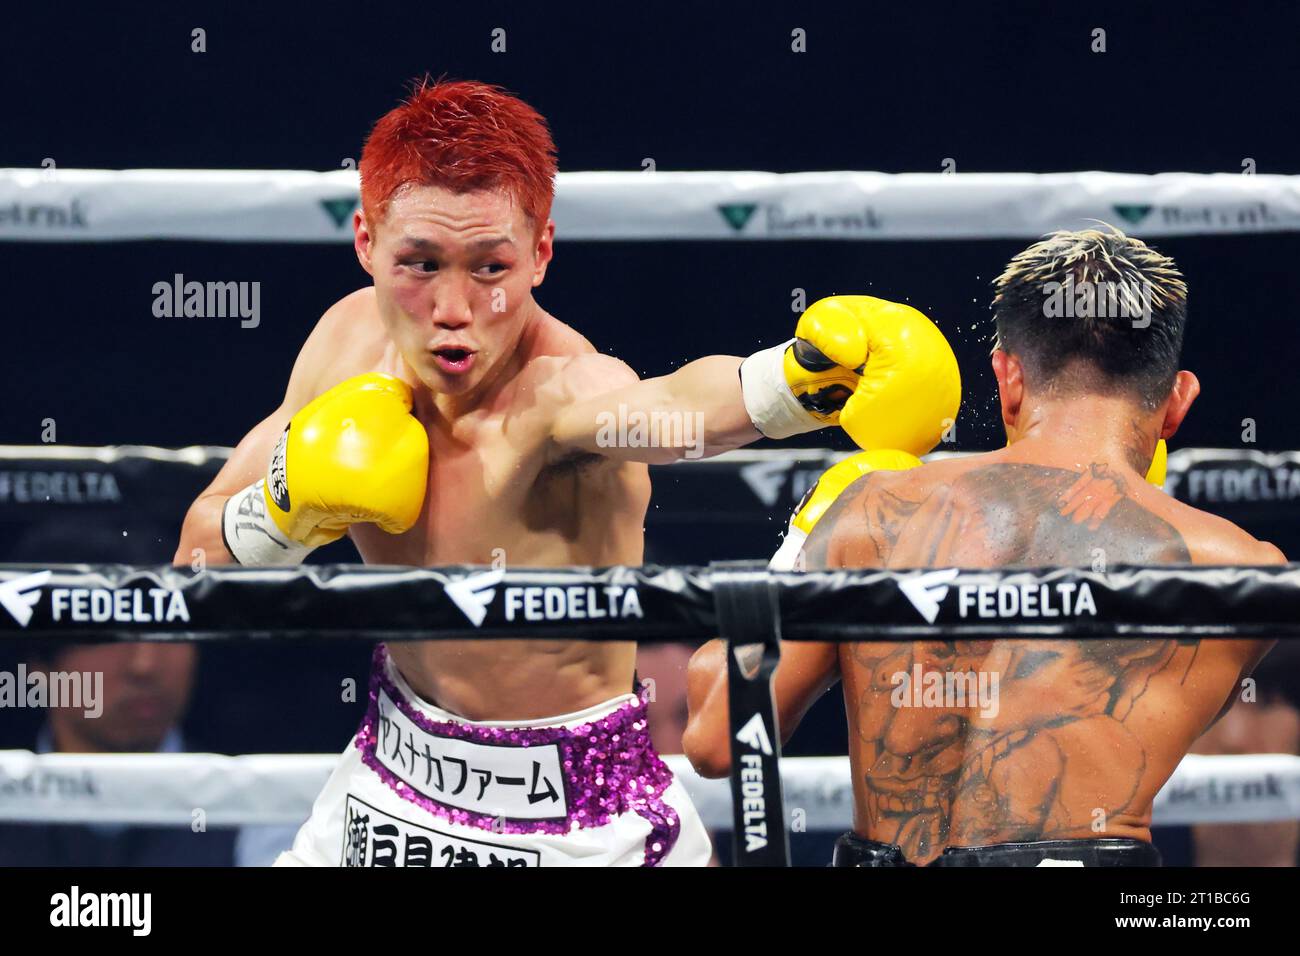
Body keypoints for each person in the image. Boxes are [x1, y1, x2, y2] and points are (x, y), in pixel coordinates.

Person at [174, 78, 961, 866]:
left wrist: (795, 382)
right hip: (386, 787)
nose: (455, 307)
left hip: (584, 830)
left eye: (490, 268)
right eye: (419, 265)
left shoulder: (563, 395)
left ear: (541, 253)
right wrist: (280, 511)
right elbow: (195, 561)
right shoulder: (345, 345)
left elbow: (675, 408)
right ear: (365, 243)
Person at [684, 225, 1285, 867]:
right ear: (1177, 403)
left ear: (1007, 378)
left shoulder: (874, 514)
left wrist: (810, 532)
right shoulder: (1239, 572)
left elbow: (717, 737)